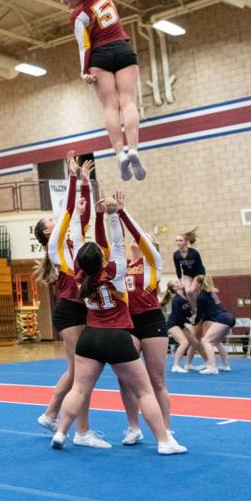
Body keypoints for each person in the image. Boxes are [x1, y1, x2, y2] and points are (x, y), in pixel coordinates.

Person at [50, 193, 185, 455]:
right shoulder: (117, 271)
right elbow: (117, 242)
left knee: (79, 388)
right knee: (145, 391)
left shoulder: (79, 278)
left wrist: (80, 217)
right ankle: (164, 440)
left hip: (91, 337)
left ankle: (61, 432)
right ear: (102, 260)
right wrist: (113, 214)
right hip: (117, 336)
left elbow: (79, 244)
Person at [33, 154, 110, 448]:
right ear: (47, 232)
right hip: (70, 311)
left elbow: (84, 215)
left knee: (78, 371)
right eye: (50, 221)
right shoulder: (56, 244)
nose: (56, 219)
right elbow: (69, 209)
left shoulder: (69, 240)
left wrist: (87, 185)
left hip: (79, 310)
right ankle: (80, 431)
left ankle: (54, 416)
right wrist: (73, 177)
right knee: (83, 373)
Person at [57, 0, 145, 181]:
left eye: (66, 2)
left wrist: (84, 71)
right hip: (123, 49)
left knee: (110, 107)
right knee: (129, 102)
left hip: (99, 56)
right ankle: (133, 149)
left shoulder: (78, 15)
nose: (68, 7)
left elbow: (83, 45)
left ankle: (120, 153)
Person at [118, 203, 171, 445]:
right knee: (126, 378)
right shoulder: (125, 265)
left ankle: (166, 428)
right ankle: (133, 427)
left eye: (144, 239)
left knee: (157, 379)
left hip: (152, 321)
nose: (136, 239)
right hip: (129, 322)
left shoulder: (152, 263)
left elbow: (138, 233)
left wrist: (122, 211)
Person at [193, 275, 235, 374]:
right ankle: (225, 365)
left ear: (199, 284)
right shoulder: (211, 292)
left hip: (222, 318)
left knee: (205, 341)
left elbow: (199, 314)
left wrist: (194, 323)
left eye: (194, 282)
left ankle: (212, 367)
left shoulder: (201, 296)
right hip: (229, 317)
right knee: (217, 341)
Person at [165, 281, 201, 373]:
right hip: (173, 324)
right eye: (176, 282)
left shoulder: (185, 297)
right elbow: (178, 315)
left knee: (195, 343)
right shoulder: (177, 299)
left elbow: (187, 312)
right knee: (184, 342)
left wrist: (192, 316)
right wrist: (190, 321)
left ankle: (188, 364)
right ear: (174, 288)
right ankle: (175, 365)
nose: (179, 282)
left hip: (181, 324)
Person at [172, 229, 205, 296]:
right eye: (177, 240)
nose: (178, 242)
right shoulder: (176, 255)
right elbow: (178, 269)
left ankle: (199, 305)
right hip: (187, 275)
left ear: (186, 242)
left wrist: (201, 277)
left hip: (197, 274)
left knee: (193, 291)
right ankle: (194, 307)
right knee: (188, 292)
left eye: (180, 240)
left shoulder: (194, 253)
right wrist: (180, 281)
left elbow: (200, 266)